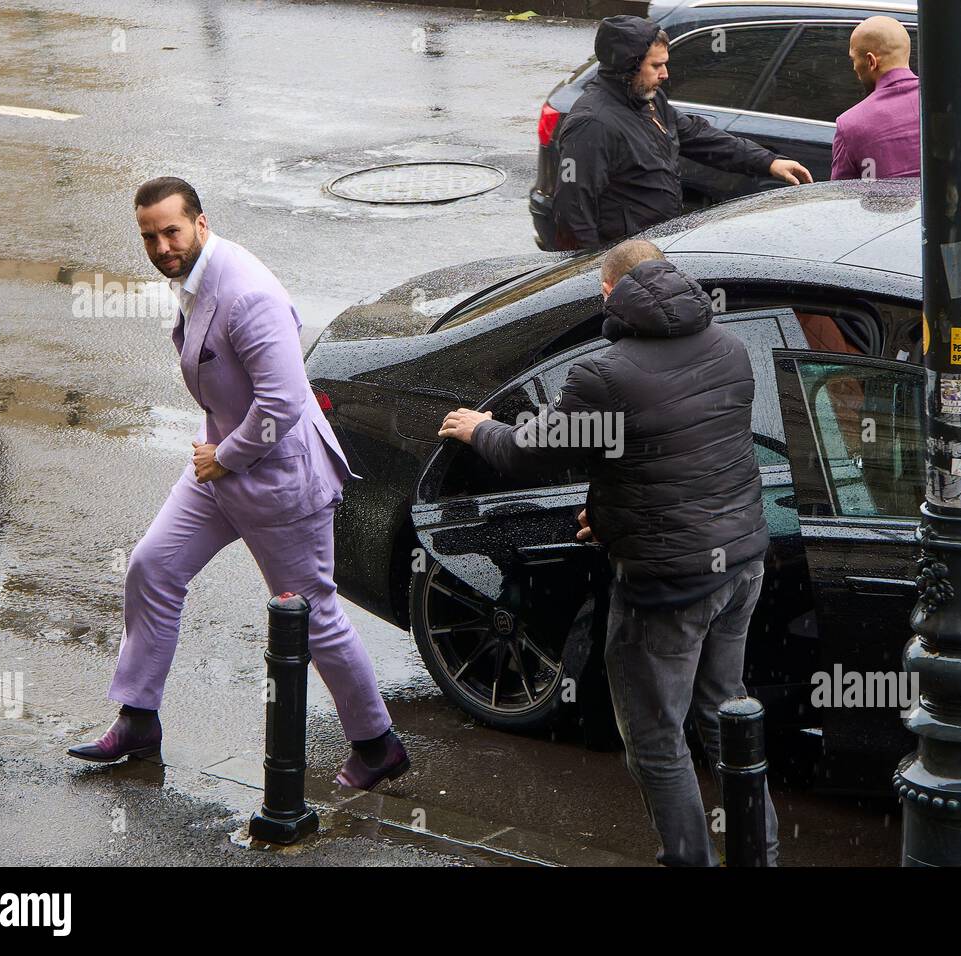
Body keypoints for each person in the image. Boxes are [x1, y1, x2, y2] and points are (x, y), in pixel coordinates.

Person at [438, 239, 778, 866]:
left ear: (608, 293)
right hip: (741, 563)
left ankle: (690, 861)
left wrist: (478, 427)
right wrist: (616, 511)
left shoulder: (604, 374)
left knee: (653, 738)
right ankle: (758, 854)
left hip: (665, 583)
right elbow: (685, 455)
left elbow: (527, 452)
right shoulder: (730, 349)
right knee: (725, 716)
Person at [68, 177, 408, 792]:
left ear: (201, 223)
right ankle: (138, 718)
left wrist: (224, 456)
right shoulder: (196, 279)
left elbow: (280, 403)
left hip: (276, 477)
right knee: (152, 567)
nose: (161, 246)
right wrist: (220, 458)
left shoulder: (246, 292)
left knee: (313, 615)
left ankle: (377, 744)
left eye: (171, 231)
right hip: (220, 468)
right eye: (149, 236)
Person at [552, 15, 812, 251]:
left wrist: (769, 161)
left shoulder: (649, 101)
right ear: (627, 67)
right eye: (656, 66)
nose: (665, 74)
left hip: (656, 249)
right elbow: (572, 211)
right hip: (624, 263)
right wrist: (593, 276)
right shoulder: (593, 123)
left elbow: (700, 137)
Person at [830, 16, 961, 183]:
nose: (854, 68)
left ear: (871, 61)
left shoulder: (850, 125)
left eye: (853, 60)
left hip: (893, 228)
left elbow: (842, 205)